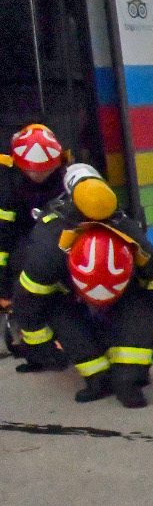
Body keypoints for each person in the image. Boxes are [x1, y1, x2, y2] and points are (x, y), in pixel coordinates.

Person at [10, 170, 153, 405]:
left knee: (139, 305)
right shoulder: (49, 250)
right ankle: (97, 377)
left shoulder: (132, 239)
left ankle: (129, 379)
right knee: (57, 311)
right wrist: (40, 346)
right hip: (69, 295)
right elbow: (28, 301)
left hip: (125, 292)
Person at [0, 124, 72, 345]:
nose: (38, 175)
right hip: (27, 251)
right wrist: (3, 287)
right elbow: (4, 236)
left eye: (45, 170)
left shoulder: (67, 180)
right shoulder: (11, 190)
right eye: (32, 170)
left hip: (64, 247)